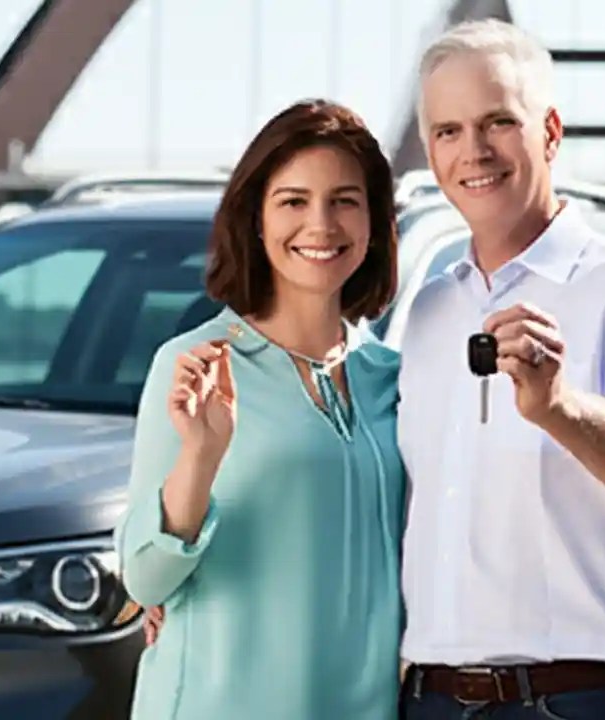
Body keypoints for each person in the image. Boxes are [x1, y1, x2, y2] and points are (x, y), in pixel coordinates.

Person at [395, 19, 605, 719]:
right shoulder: (427, 312)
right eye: (448, 130)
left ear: (550, 131)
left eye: (497, 122)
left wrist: (561, 408)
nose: (473, 150)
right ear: (428, 148)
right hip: (432, 701)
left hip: (584, 700)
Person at [114, 99, 406, 719]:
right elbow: (144, 580)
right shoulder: (193, 365)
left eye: (344, 200)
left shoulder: (394, 378)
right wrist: (200, 455)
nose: (321, 225)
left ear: (375, 221)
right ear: (256, 219)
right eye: (294, 201)